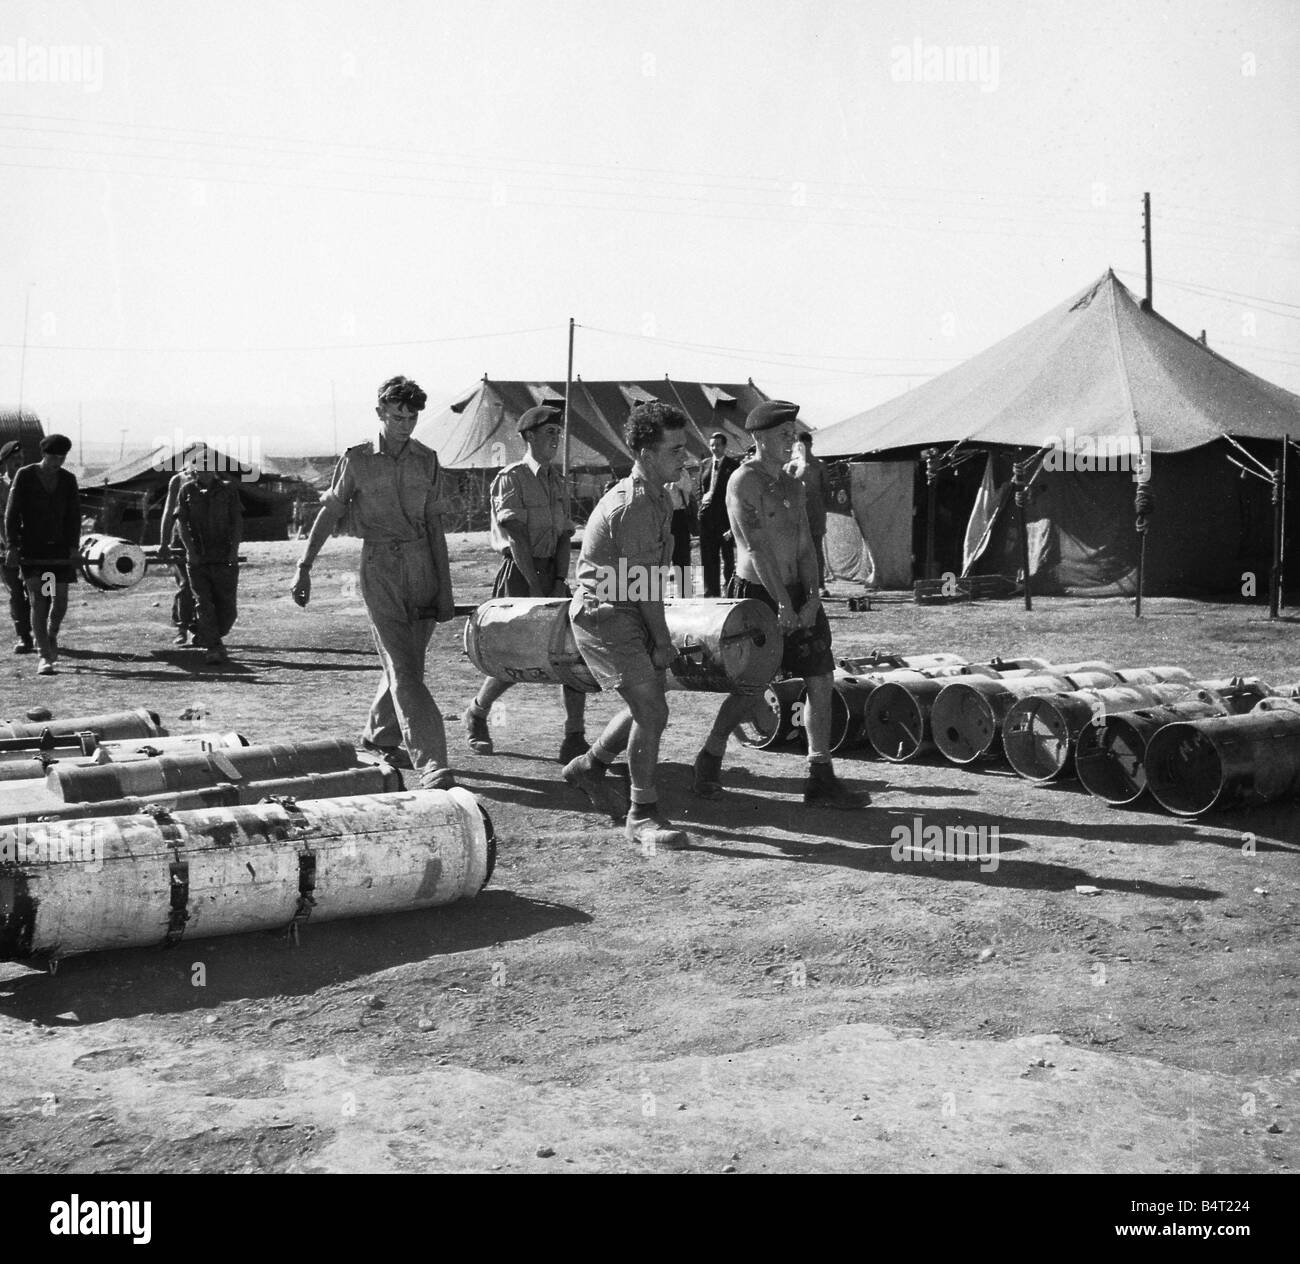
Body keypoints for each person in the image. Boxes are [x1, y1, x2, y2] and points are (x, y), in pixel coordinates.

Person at [691, 400, 867, 809]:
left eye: (793, 433)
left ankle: (819, 776)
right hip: (759, 596)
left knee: (820, 679)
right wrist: (784, 606)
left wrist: (812, 598)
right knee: (750, 687)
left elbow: (806, 545)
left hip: (798, 594)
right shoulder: (742, 481)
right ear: (758, 438)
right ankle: (710, 757)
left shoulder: (793, 484)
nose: (792, 441)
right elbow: (755, 547)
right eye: (783, 434)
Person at [291, 375, 456, 790]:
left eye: (412, 416)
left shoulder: (427, 459)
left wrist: (445, 587)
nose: (405, 423)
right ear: (380, 413)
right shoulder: (358, 459)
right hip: (379, 566)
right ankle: (434, 764)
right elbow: (330, 513)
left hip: (423, 566)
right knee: (404, 668)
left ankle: (378, 736)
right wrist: (304, 565)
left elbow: (435, 524)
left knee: (408, 663)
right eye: (397, 415)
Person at [562, 401, 693, 850]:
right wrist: (662, 641)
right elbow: (644, 587)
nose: (686, 456)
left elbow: (652, 578)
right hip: (606, 615)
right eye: (675, 448)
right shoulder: (634, 505)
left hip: (629, 604)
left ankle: (591, 767)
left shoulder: (659, 494)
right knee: (653, 710)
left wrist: (660, 632)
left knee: (648, 703)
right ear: (646, 453)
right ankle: (642, 814)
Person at [462, 403, 589, 764]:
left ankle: (574, 736)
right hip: (521, 572)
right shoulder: (511, 478)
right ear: (528, 436)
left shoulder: (557, 480)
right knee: (516, 656)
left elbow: (565, 535)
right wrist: (534, 588)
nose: (556, 439)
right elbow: (516, 538)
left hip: (552, 573)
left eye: (558, 433)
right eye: (549, 433)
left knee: (571, 653)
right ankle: (477, 712)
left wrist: (560, 581)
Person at [3, 433, 81, 676]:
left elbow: (73, 516)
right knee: (39, 600)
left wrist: (73, 547)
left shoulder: (68, 479)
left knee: (59, 602)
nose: (57, 462)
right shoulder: (25, 476)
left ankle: (50, 634)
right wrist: (13, 546)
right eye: (53, 457)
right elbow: (11, 513)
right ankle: (45, 656)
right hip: (33, 549)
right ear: (44, 455)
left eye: (62, 458)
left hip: (58, 550)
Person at [175, 458, 242, 665]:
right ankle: (213, 647)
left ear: (214, 471)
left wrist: (234, 551)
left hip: (223, 556)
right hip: (198, 559)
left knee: (227, 609)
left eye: (208, 469)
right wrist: (190, 552)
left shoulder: (228, 490)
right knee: (203, 603)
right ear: (194, 471)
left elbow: (237, 521)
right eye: (200, 470)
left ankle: (209, 634)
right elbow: (182, 523)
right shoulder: (187, 491)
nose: (204, 473)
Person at [157, 458, 197, 646]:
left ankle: (199, 628)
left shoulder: (216, 481)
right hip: (180, 540)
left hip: (205, 541)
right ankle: (182, 627)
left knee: (203, 585)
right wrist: (164, 543)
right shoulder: (179, 480)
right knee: (186, 584)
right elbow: (168, 512)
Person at [788, 430, 831, 597]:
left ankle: (820, 585)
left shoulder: (820, 465)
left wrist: (823, 510)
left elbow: (826, 490)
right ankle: (800, 585)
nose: (802, 448)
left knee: (816, 549)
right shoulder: (791, 466)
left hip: (816, 513)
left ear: (811, 445)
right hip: (797, 514)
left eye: (805, 445)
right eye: (799, 445)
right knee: (797, 550)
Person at [0, 440, 33, 654]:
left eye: (21, 460)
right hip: (5, 548)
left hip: (31, 547)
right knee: (15, 593)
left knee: (37, 592)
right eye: (14, 460)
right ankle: (23, 636)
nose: (18, 463)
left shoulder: (30, 483)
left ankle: (38, 632)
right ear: (4, 462)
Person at [697, 431, 739, 597]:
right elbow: (700, 487)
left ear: (724, 446)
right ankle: (711, 592)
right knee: (708, 557)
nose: (714, 448)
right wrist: (702, 502)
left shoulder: (733, 466)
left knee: (728, 557)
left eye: (718, 445)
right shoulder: (705, 464)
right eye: (712, 445)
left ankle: (729, 591)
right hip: (707, 518)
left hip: (725, 518)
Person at [667, 466, 697, 594]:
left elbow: (687, 487)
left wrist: (670, 475)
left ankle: (685, 595)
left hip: (678, 517)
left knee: (682, 559)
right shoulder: (655, 470)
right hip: (662, 517)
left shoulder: (681, 471)